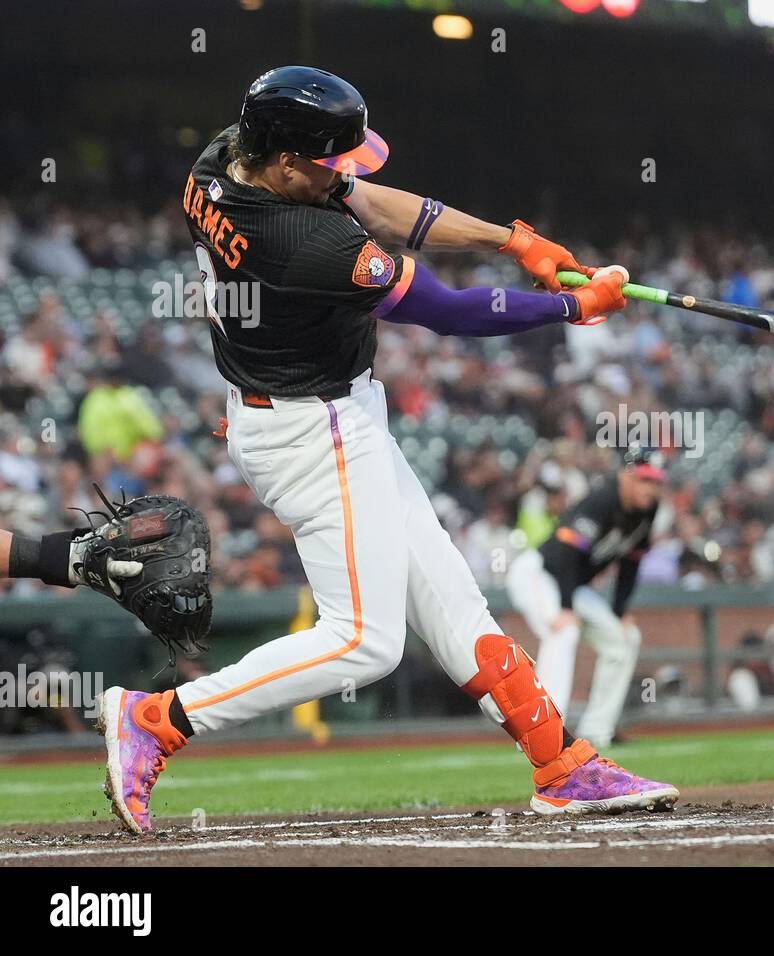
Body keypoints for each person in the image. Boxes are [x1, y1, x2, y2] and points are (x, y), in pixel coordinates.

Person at [92, 65, 676, 833]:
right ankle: (158, 719)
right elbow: (449, 311)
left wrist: (515, 240)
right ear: (291, 164)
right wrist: (570, 304)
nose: (347, 176)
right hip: (315, 427)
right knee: (366, 644)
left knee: (450, 596)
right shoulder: (302, 242)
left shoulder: (226, 158)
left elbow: (379, 204)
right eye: (331, 163)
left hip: (317, 413)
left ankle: (561, 765)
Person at [505, 447, 665, 748]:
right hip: (538, 573)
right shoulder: (602, 499)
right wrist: (565, 607)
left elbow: (631, 562)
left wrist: (620, 611)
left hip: (572, 585)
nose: (651, 488)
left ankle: (597, 731)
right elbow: (567, 554)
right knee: (563, 631)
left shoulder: (647, 511)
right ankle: (541, 731)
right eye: (644, 480)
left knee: (624, 638)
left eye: (656, 481)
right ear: (626, 476)